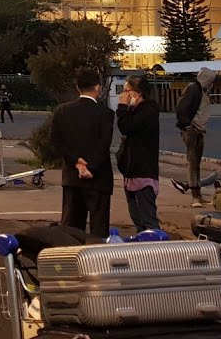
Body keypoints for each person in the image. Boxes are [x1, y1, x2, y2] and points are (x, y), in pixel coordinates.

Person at [49, 67, 115, 238]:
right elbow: (103, 145)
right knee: (99, 229)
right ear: (98, 87)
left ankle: (71, 261)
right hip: (99, 178)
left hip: (72, 177)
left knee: (71, 229)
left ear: (78, 88)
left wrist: (77, 163)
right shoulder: (105, 113)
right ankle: (96, 262)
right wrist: (90, 167)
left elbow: (57, 144)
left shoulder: (62, 111)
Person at [116, 73, 161, 231]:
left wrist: (122, 107)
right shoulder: (136, 110)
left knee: (148, 221)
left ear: (137, 93)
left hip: (143, 173)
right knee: (138, 220)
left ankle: (156, 251)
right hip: (132, 173)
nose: (124, 95)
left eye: (127, 90)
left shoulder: (148, 111)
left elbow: (125, 126)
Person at [175, 67, 217, 207]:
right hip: (192, 129)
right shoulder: (193, 89)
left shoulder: (202, 90)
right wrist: (186, 126)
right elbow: (181, 108)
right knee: (192, 162)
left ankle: (198, 194)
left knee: (196, 163)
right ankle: (195, 197)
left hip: (199, 129)